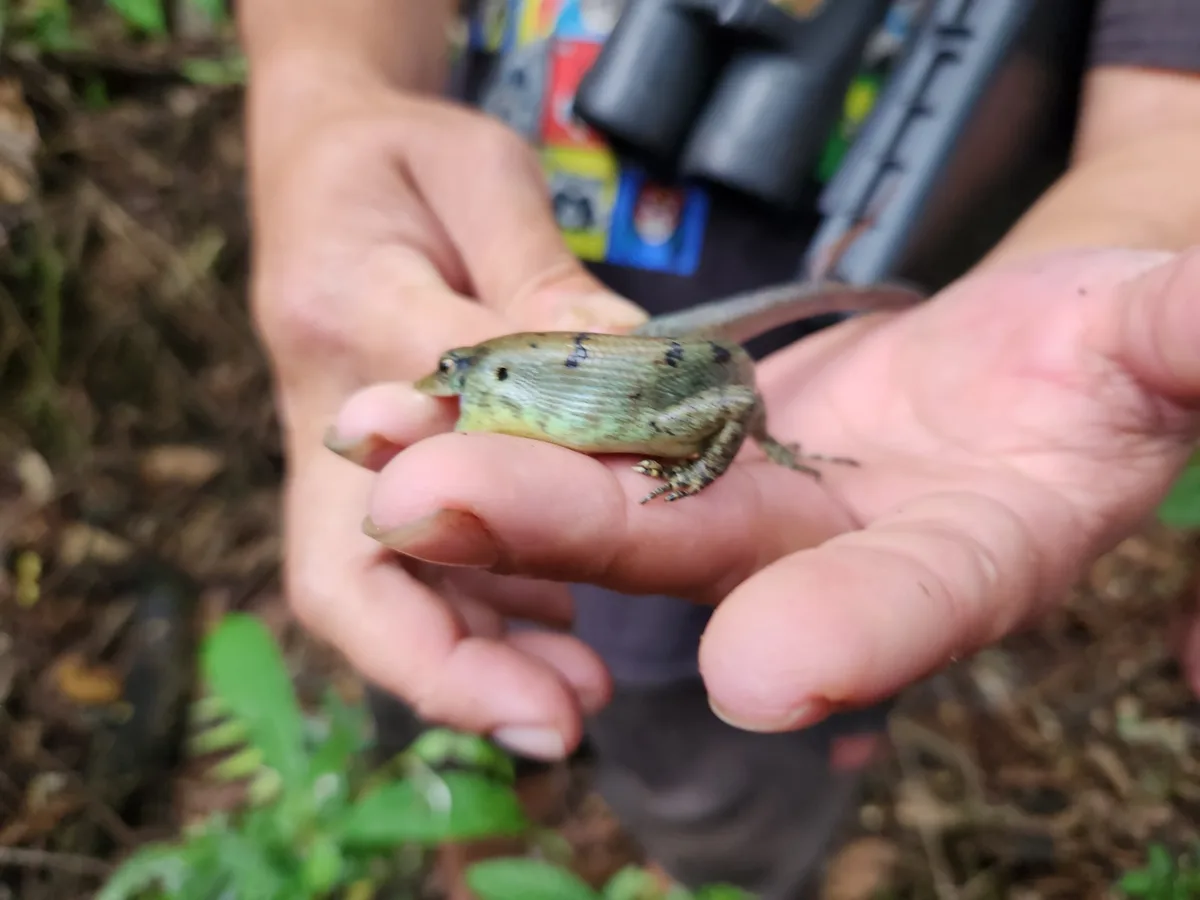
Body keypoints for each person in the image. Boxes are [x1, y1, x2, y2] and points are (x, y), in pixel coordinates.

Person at [238, 0, 1200, 895]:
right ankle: (482, 836)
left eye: (469, 384)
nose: (448, 396)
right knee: (457, 682)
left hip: (821, 462)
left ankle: (709, 873)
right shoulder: (489, 399)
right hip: (491, 424)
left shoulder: (656, 410)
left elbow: (1170, 117)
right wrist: (326, 97)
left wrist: (1111, 245)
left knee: (726, 772)